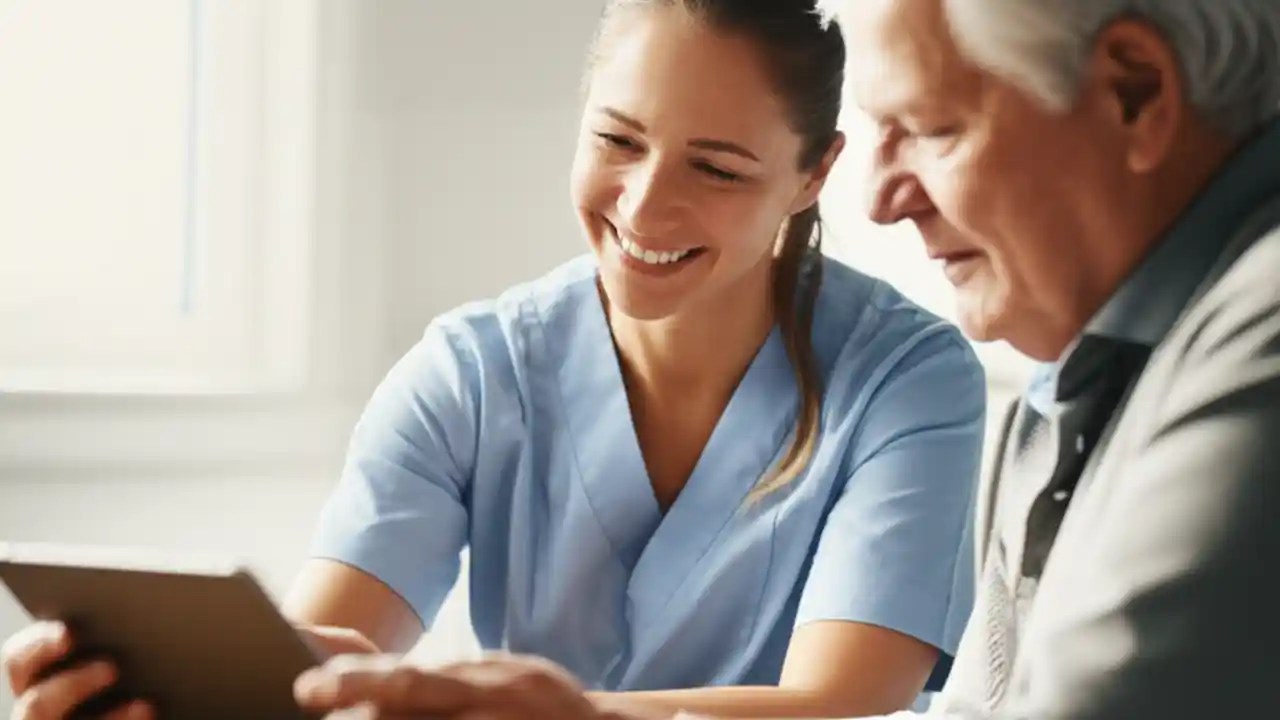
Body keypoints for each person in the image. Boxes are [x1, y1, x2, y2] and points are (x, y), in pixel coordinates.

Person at [278, 0, 1280, 718]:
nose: (885, 202)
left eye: (928, 128)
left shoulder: (1225, 346)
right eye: (617, 141)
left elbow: (862, 696)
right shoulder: (1080, 375)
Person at [1, 2, 989, 719]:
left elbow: (843, 702)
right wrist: (177, 689)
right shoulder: (471, 372)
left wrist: (560, 717)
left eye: (717, 169)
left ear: (812, 175)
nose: (643, 209)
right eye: (616, 140)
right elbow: (317, 667)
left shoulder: (908, 379)